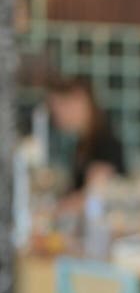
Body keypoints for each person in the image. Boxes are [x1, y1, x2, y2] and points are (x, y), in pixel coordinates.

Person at [47, 76, 127, 213]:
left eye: (60, 107)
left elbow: (94, 196)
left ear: (80, 101)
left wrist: (54, 210)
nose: (56, 117)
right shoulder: (82, 143)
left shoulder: (104, 142)